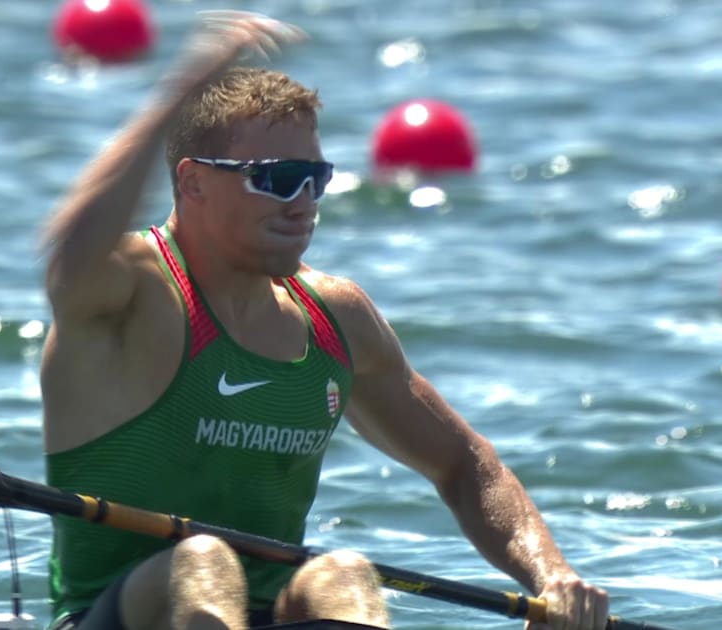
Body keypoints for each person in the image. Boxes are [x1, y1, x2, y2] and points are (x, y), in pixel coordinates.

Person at [40, 10, 609, 630]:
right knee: (201, 561)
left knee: (345, 574)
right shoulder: (132, 292)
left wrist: (551, 577)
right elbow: (70, 253)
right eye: (278, 180)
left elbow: (464, 464)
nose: (304, 204)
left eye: (315, 179)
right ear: (194, 183)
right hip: (117, 613)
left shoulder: (335, 318)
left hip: (262, 614)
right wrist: (178, 93)